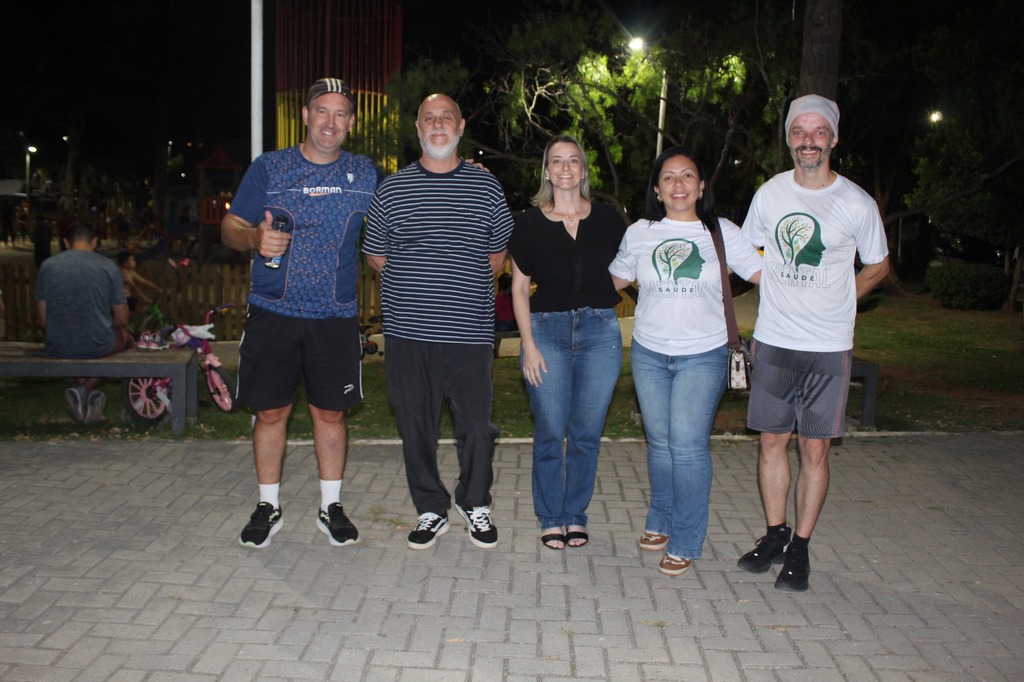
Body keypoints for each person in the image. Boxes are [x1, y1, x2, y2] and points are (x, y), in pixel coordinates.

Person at [737, 94, 890, 592]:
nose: (808, 141)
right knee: (771, 442)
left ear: (833, 139)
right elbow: (747, 247)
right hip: (774, 339)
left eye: (818, 132)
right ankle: (775, 534)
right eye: (799, 132)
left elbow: (878, 263)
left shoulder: (856, 202)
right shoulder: (770, 194)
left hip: (827, 345)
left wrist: (845, 294)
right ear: (788, 140)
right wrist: (770, 280)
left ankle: (800, 547)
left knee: (815, 450)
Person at [221, 78, 378, 549]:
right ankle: (268, 505)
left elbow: (410, 199)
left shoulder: (365, 174)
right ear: (306, 116)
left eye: (341, 114)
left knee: (330, 413)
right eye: (322, 111)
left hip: (335, 316)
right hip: (273, 312)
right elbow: (231, 225)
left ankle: (331, 507)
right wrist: (252, 239)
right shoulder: (270, 168)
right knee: (271, 413)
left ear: (350, 122)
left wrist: (457, 171)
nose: (331, 122)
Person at [363, 93, 514, 551]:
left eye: (446, 117)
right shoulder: (392, 188)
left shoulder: (487, 188)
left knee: (476, 427)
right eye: (428, 118)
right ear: (417, 128)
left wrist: (455, 286)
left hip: (468, 334)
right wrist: (417, 286)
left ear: (461, 125)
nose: (437, 125)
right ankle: (431, 508)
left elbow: (497, 255)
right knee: (416, 426)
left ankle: (474, 502)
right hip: (409, 335)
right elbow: (375, 254)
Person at [609, 147, 762, 577]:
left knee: (688, 447)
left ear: (701, 186)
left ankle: (687, 538)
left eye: (687, 176)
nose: (679, 185)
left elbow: (763, 274)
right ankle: (660, 519)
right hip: (650, 353)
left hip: (704, 353)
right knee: (659, 445)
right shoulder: (640, 232)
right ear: (657, 190)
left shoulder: (722, 232)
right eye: (669, 177)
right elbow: (611, 280)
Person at [508, 134, 625, 550]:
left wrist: (602, 292)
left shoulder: (609, 219)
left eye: (573, 161)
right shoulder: (529, 222)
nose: (565, 168)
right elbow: (519, 289)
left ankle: (575, 515)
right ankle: (550, 517)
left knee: (586, 433)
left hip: (600, 334)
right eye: (556, 161)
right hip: (547, 334)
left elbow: (627, 268)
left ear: (583, 169)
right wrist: (529, 345)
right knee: (550, 429)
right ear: (546, 170)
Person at [34, 222, 134, 423]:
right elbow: (123, 319)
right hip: (97, 344)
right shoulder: (108, 266)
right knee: (127, 339)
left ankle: (84, 402)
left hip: (58, 344)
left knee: (77, 344)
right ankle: (84, 390)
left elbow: (42, 320)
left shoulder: (47, 266)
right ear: (94, 242)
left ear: (65, 243)